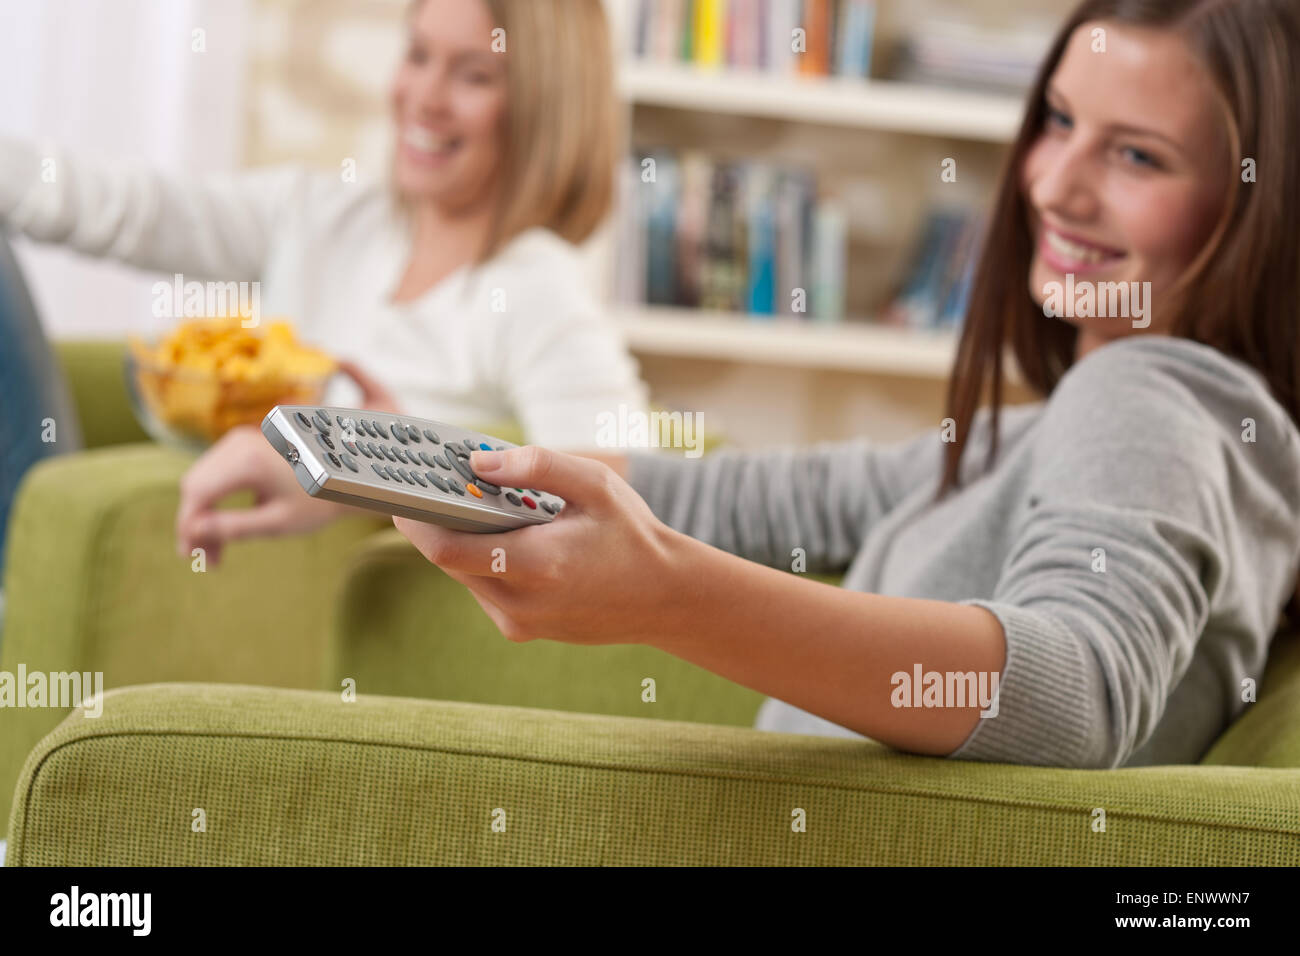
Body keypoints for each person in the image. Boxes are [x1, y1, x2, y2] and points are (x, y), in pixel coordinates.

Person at [394, 0, 1300, 769]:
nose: (1055, 185)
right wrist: (429, 462)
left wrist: (663, 593)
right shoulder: (1062, 427)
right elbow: (786, 498)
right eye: (1059, 122)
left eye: (1137, 156)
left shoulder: (1150, 397)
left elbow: (1076, 695)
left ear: (1261, 202)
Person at [0, 0, 647, 567]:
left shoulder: (537, 288)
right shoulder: (326, 217)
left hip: (276, 595)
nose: (424, 96)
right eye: (418, 55)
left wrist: (369, 475)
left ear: (543, 106)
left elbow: (612, 511)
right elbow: (134, 210)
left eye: (473, 73)